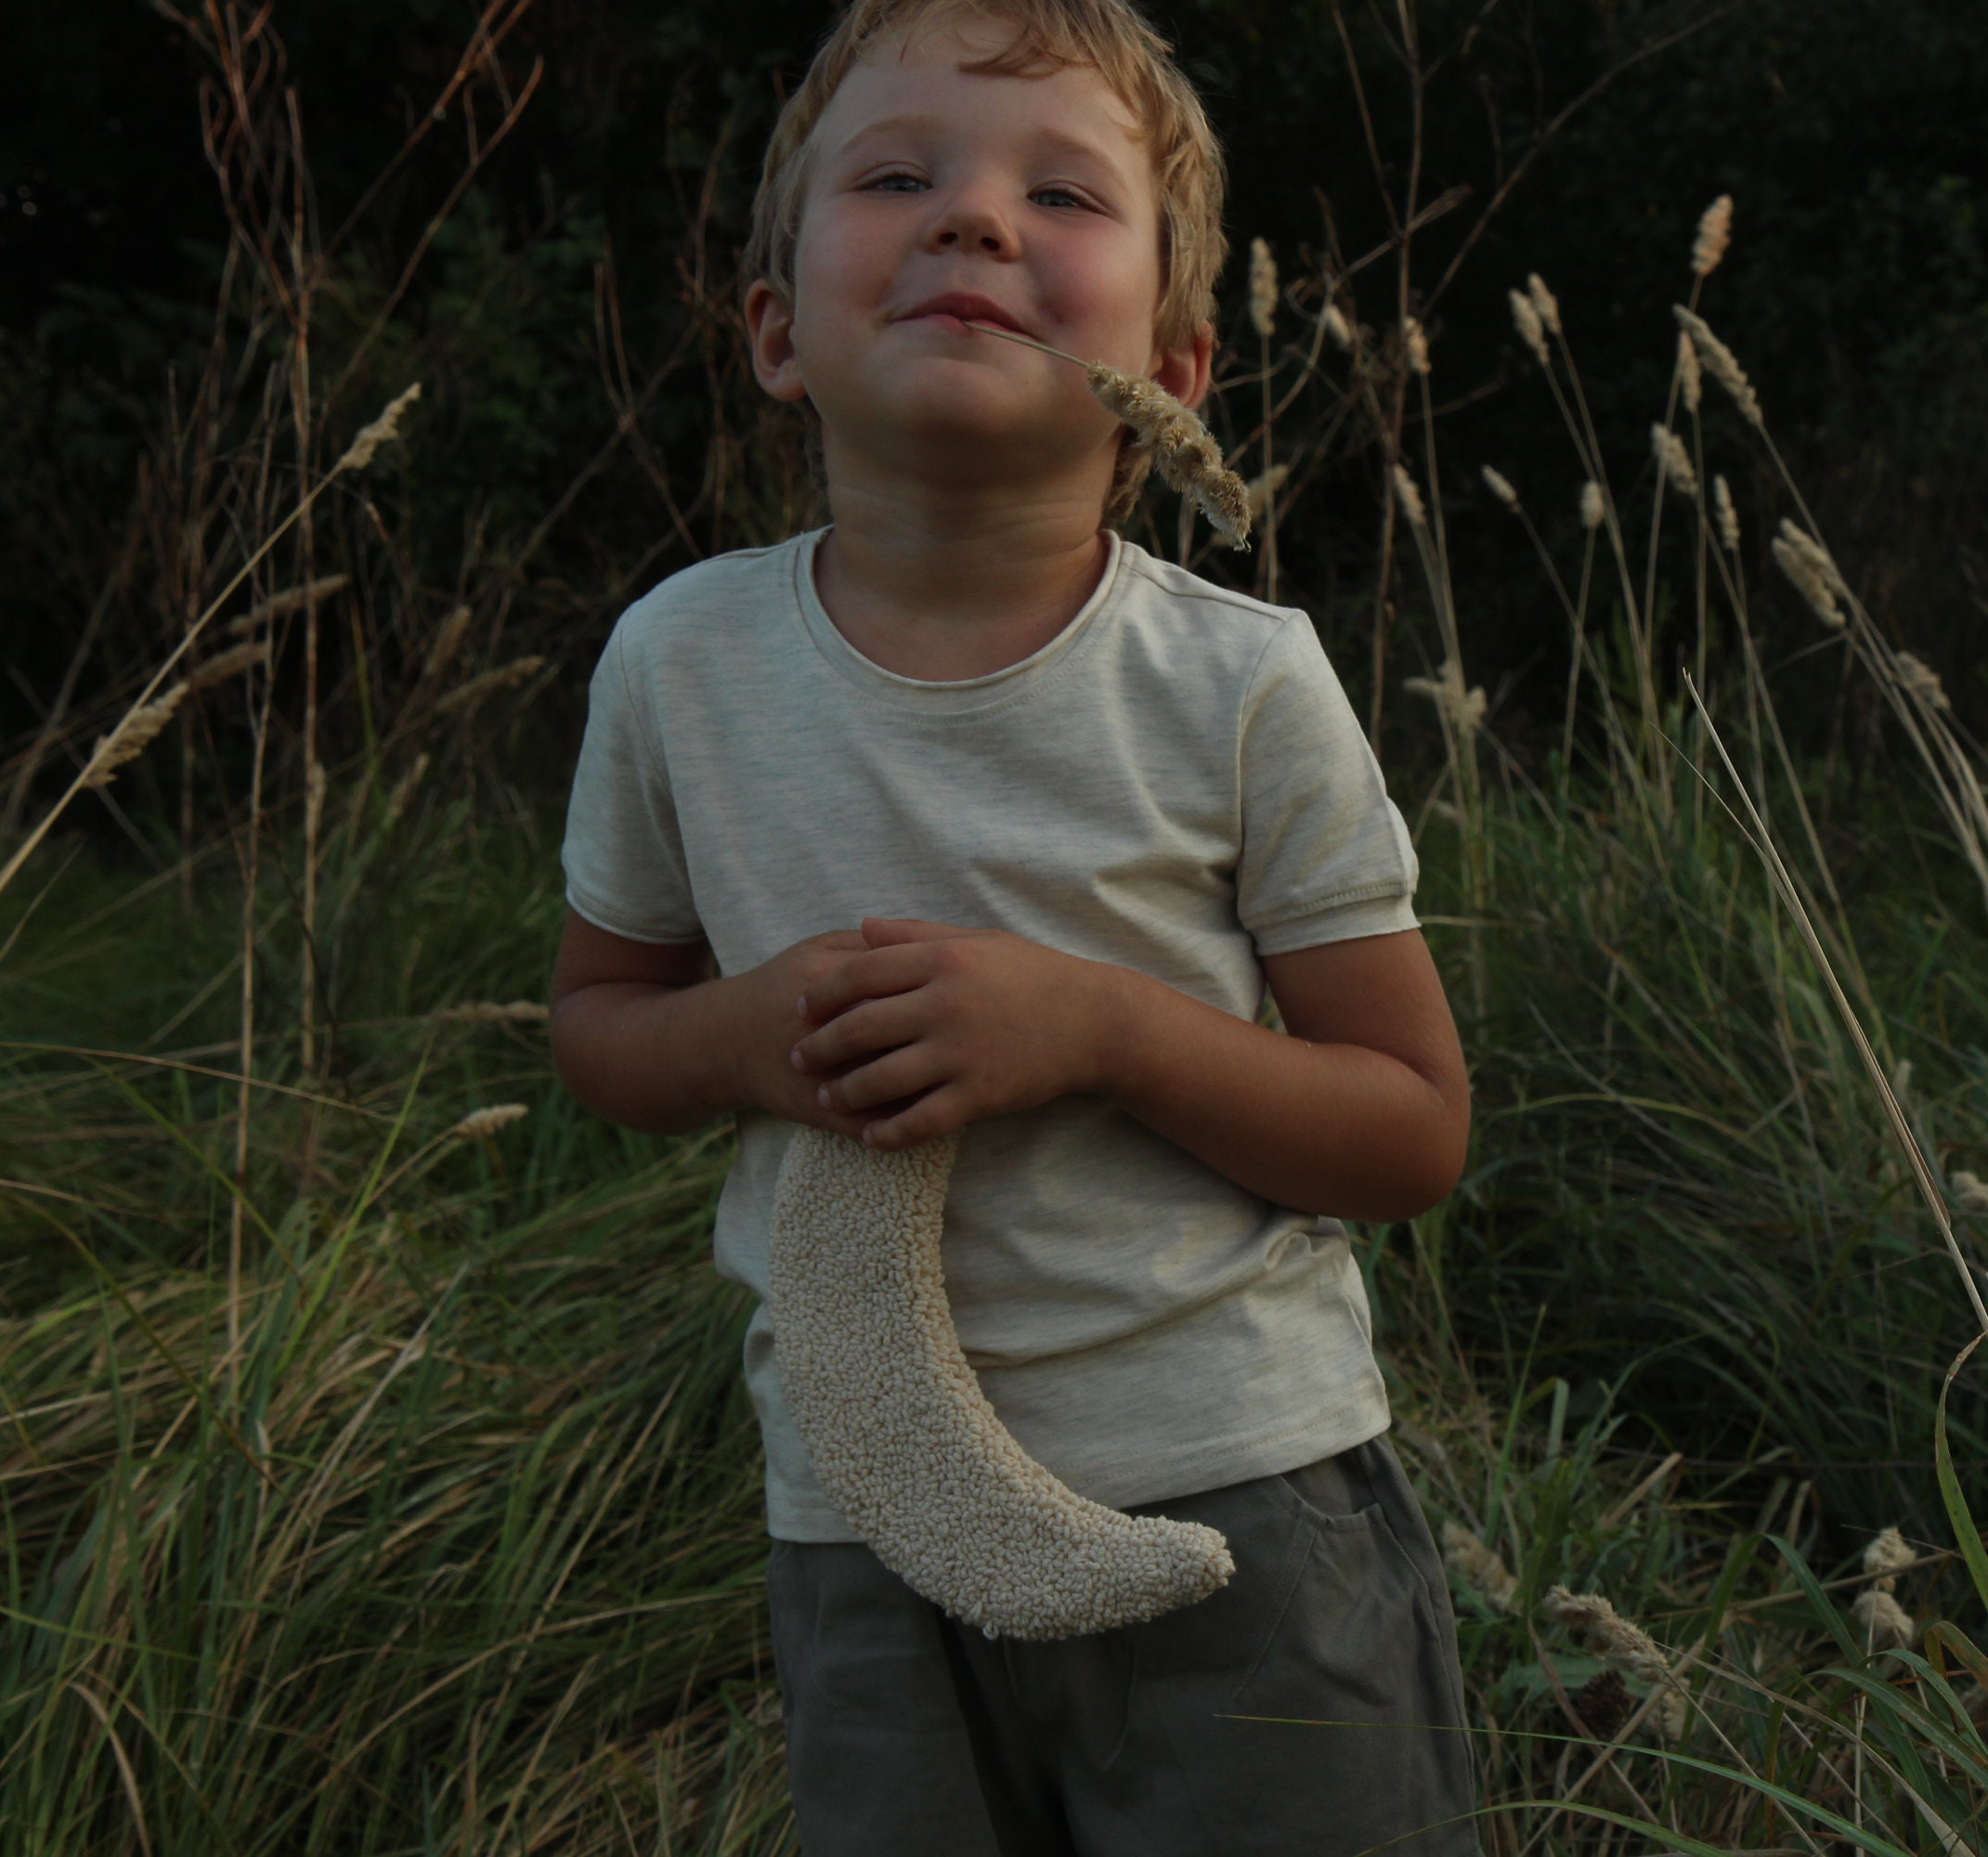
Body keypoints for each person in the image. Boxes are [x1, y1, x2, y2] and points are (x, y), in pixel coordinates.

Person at [547, 1, 1476, 1849]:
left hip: (1241, 1505)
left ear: (1177, 363)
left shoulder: (1237, 683)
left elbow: (1411, 1125)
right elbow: (600, 1028)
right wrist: (750, 1036)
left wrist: (1104, 1029)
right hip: (871, 1520)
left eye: (1062, 194)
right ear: (775, 330)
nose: (973, 219)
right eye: (898, 177)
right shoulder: (682, 664)